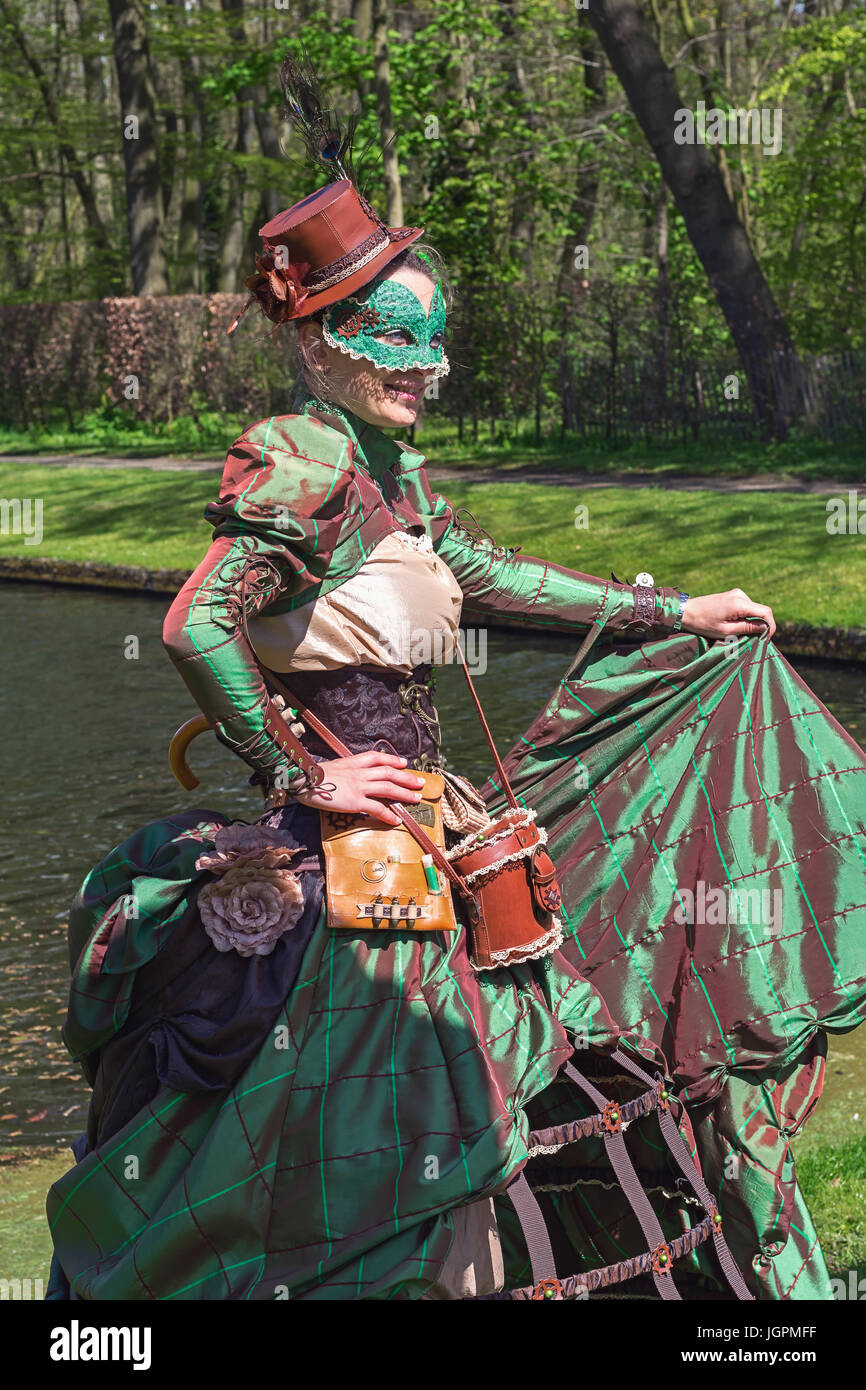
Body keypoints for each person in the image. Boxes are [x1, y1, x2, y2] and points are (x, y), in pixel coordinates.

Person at [45, 61, 866, 1303]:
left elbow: (486, 572)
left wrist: (669, 609)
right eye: (393, 342)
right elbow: (193, 623)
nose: (422, 366)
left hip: (433, 822)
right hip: (355, 846)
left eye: (432, 345)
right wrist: (304, 773)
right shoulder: (304, 460)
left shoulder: (389, 466)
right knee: (377, 1100)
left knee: (504, 1054)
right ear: (317, 338)